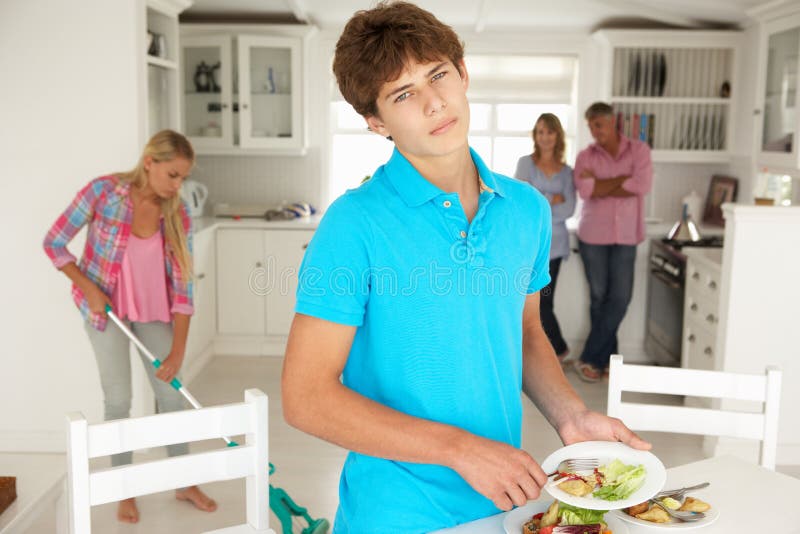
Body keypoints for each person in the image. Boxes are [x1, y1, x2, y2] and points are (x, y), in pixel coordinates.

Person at [281, 3, 651, 532]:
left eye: (438, 75)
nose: (434, 103)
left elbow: (523, 332)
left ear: (463, 74)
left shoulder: (526, 209)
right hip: (393, 515)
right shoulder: (352, 223)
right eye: (403, 93)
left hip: (504, 504)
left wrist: (572, 415)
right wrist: (459, 450)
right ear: (376, 121)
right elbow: (306, 397)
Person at [43, 130, 217, 523]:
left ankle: (184, 480)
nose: (178, 186)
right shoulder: (103, 193)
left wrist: (177, 351)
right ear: (149, 162)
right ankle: (124, 486)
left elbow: (185, 286)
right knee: (118, 399)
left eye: (183, 178)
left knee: (171, 395)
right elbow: (54, 242)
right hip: (107, 315)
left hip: (154, 313)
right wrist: (89, 289)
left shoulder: (177, 211)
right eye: (172, 175)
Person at [572, 102, 653, 382]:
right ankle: (606, 365)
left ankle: (589, 357)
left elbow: (642, 186)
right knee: (599, 299)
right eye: (591, 126)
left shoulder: (639, 151)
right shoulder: (585, 156)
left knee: (620, 298)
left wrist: (602, 184)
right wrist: (622, 182)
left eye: (600, 124)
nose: (596, 131)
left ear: (613, 122)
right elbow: (585, 190)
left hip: (627, 235)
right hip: (593, 235)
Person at [514, 113, 576, 362]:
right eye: (540, 132)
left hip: (557, 246)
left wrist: (540, 200)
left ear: (557, 135)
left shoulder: (567, 172)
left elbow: (569, 209)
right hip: (530, 244)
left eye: (549, 132)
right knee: (528, 303)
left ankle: (556, 351)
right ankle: (551, 352)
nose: (545, 137)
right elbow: (521, 204)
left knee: (545, 303)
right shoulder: (525, 163)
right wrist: (553, 200)